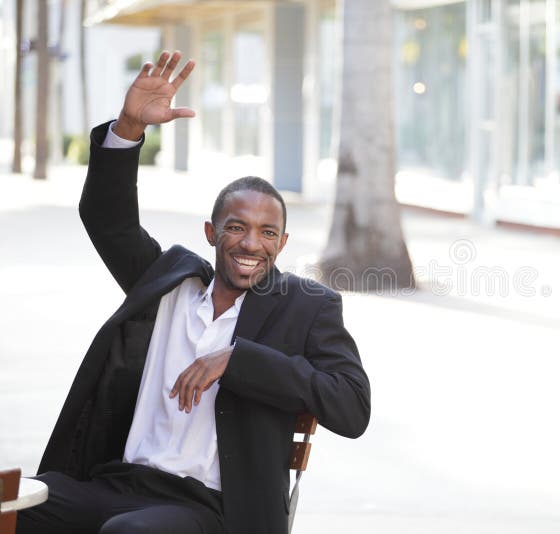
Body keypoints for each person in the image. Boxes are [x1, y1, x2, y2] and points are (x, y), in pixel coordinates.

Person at [17, 50, 370, 534]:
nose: (251, 243)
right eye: (236, 227)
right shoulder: (170, 283)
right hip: (116, 483)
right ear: (211, 232)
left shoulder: (305, 307)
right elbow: (108, 221)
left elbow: (352, 406)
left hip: (209, 509)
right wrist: (128, 128)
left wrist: (236, 360)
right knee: (13, 507)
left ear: (283, 243)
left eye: (268, 233)